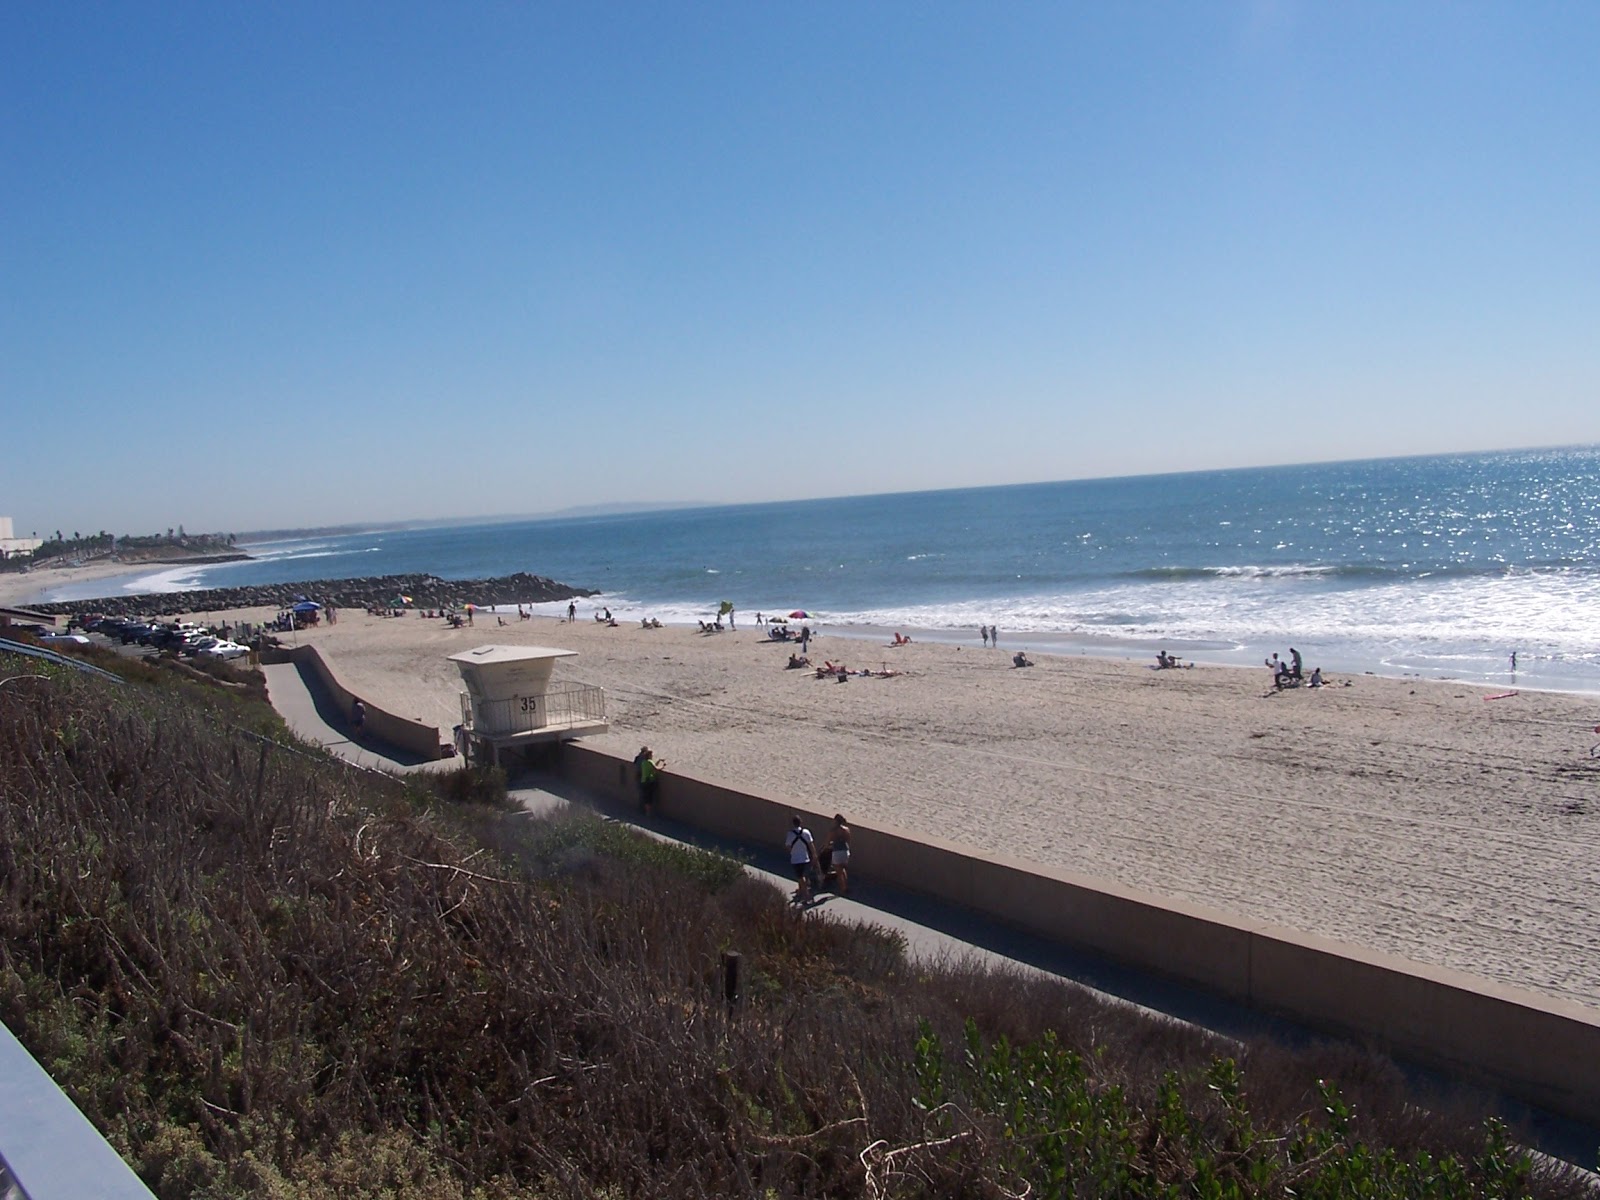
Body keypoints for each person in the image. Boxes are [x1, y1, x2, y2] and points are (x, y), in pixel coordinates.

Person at [786, 815, 817, 905]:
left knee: (800, 877)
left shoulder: (790, 834)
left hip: (795, 859)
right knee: (804, 876)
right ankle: (800, 891)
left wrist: (792, 852)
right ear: (801, 822)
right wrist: (814, 855)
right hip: (805, 858)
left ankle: (806, 895)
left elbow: (788, 846)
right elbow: (811, 845)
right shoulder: (806, 832)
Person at [824, 814, 852, 895]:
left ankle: (843, 889)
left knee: (839, 872)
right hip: (845, 850)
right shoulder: (847, 829)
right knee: (843, 870)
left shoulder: (833, 831)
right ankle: (845, 887)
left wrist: (827, 847)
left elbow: (827, 843)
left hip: (837, 851)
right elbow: (848, 840)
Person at [634, 746, 662, 814]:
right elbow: (654, 767)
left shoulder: (639, 759)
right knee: (648, 796)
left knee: (643, 794)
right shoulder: (646, 760)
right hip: (647, 780)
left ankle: (642, 809)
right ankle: (647, 812)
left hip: (641, 778)